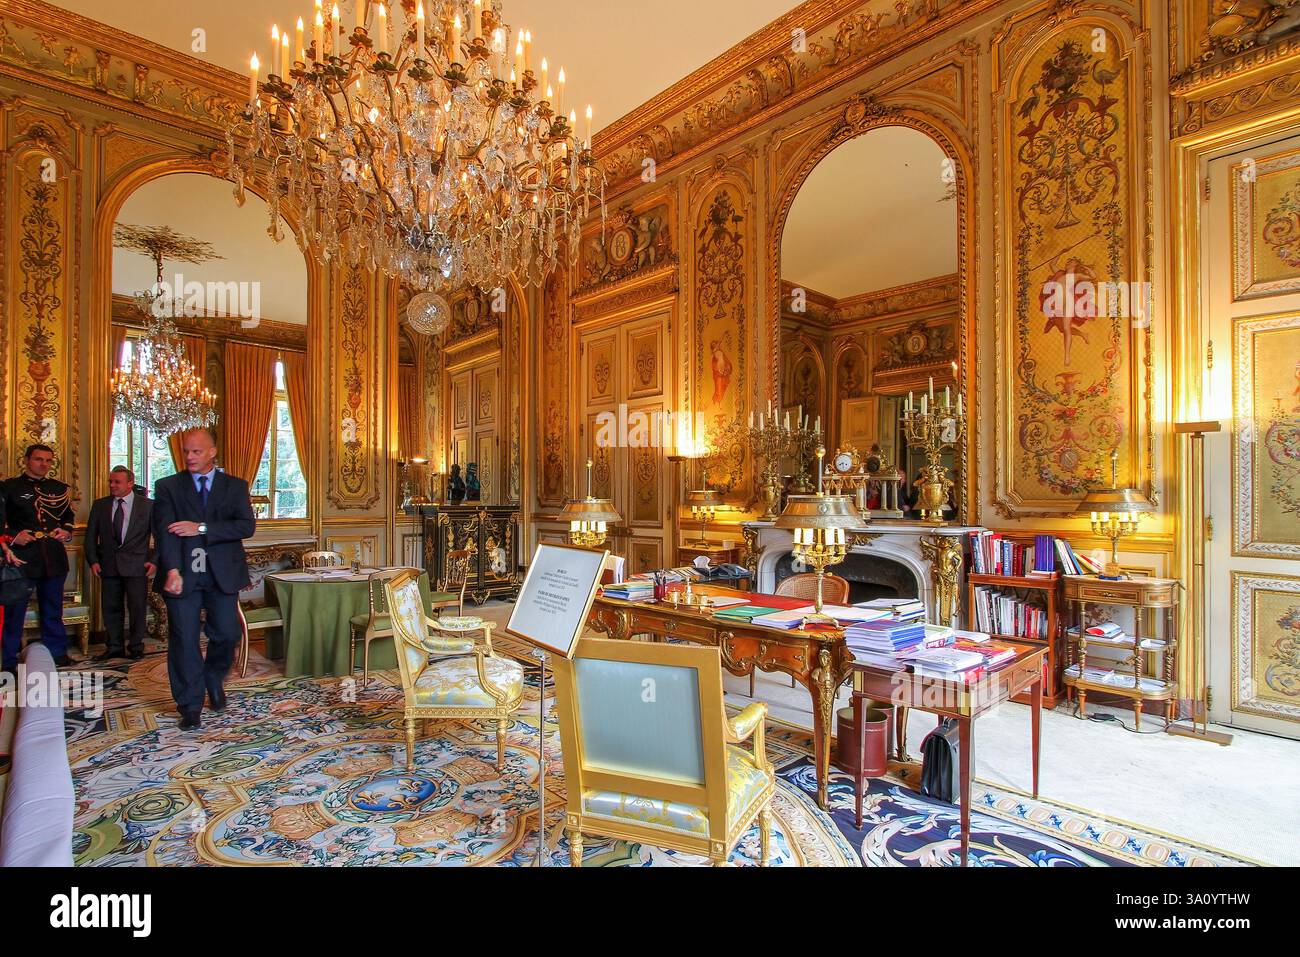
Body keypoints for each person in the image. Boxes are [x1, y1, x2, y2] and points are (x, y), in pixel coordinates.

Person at [153, 428, 255, 731]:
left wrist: (201, 528)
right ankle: (190, 705)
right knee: (184, 640)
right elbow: (164, 533)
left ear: (212, 452)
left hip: (222, 574)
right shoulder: (168, 486)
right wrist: (171, 570)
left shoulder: (235, 486)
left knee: (226, 634)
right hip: (183, 573)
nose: (190, 457)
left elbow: (245, 527)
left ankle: (213, 677)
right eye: (186, 451)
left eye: (196, 451)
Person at [1, 444, 74, 670]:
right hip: (21, 560)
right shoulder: (9, 488)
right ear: (26, 460)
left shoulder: (59, 488)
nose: (43, 464)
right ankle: (9, 660)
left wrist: (66, 530)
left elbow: (67, 517)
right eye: (38, 459)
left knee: (53, 610)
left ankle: (57, 653)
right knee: (15, 613)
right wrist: (14, 536)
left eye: (48, 461)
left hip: (52, 558)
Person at [86, 466, 156, 660]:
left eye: (117, 482)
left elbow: (160, 537)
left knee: (137, 608)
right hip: (108, 565)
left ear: (130, 483)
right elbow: (91, 536)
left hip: (137, 565)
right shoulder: (100, 505)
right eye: (111, 481)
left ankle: (136, 647)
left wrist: (155, 561)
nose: (112, 485)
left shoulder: (147, 506)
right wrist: (93, 560)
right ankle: (114, 647)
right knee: (111, 608)